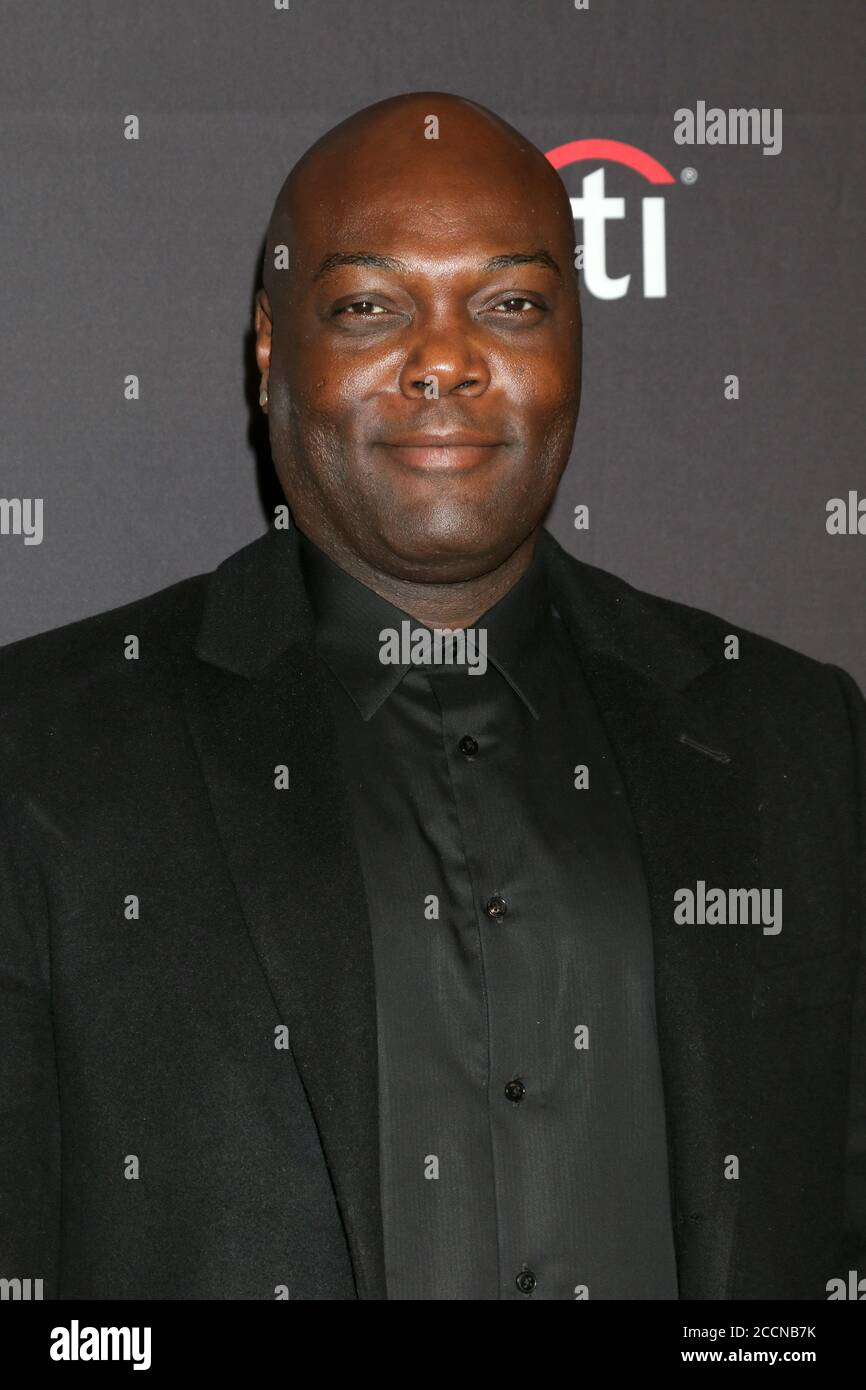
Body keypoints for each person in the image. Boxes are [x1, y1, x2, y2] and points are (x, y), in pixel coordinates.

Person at [0, 91, 863, 1301]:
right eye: (369, 306)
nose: (448, 358)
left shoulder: (794, 739)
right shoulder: (43, 749)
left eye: (510, 303)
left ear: (574, 342)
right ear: (268, 351)